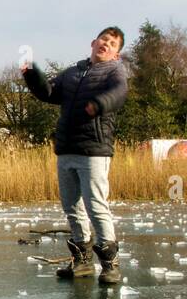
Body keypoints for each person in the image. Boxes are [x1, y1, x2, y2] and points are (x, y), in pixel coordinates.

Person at [22, 27, 129, 284]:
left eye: (113, 43)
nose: (107, 44)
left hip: (94, 149)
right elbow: (49, 93)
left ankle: (109, 265)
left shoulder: (115, 71)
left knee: (96, 206)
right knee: (72, 207)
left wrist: (100, 104)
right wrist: (32, 75)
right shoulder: (73, 72)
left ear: (116, 54)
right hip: (66, 148)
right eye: (104, 39)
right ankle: (81, 262)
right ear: (93, 42)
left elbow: (119, 93)